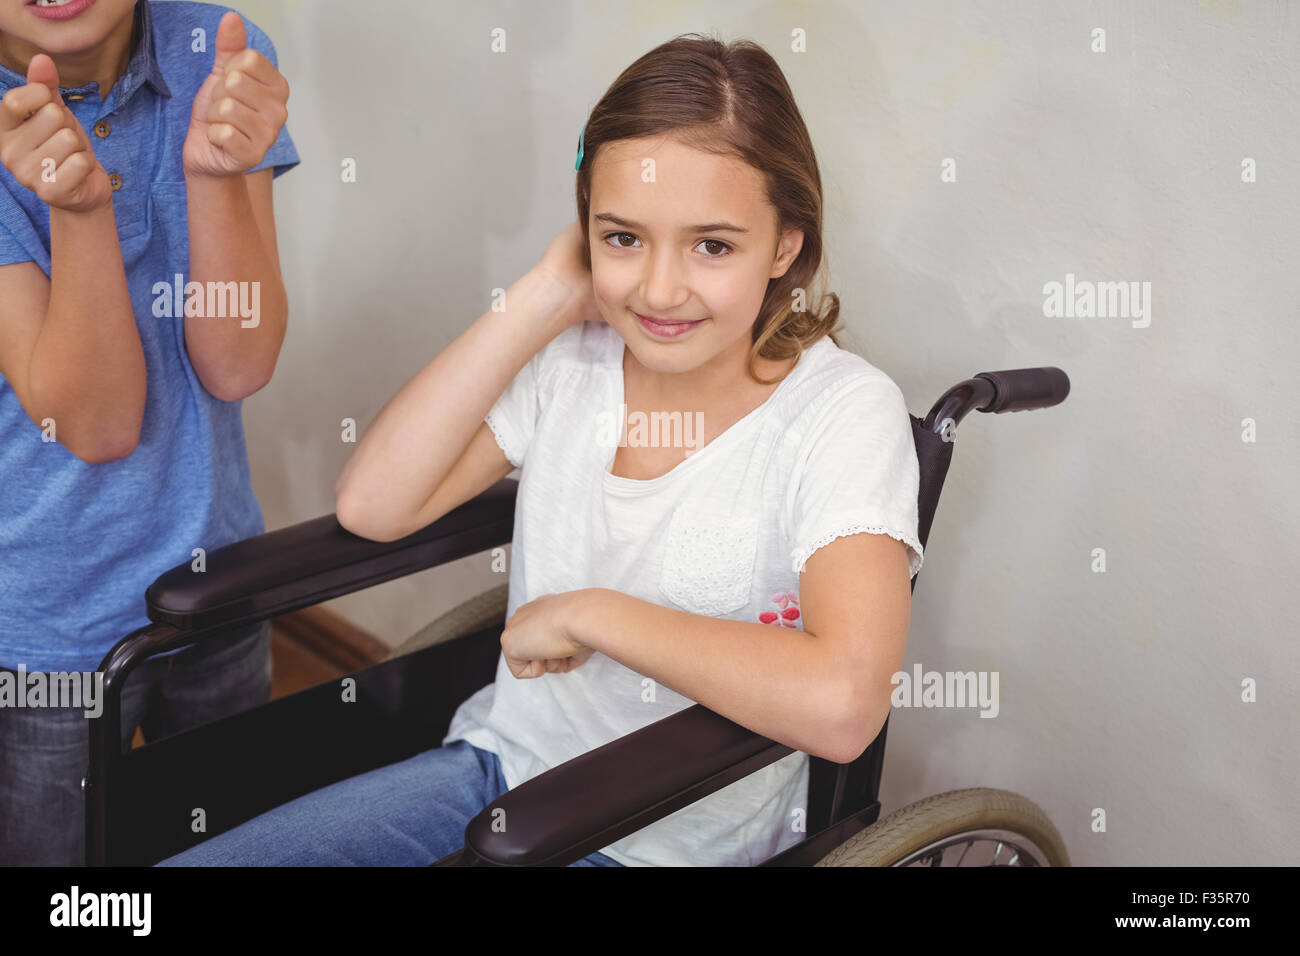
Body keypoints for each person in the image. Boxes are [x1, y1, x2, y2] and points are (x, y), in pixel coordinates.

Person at [159, 32, 922, 868]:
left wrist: (590, 612)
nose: (659, 290)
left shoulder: (841, 413)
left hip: (664, 843)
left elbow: (845, 706)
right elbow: (375, 504)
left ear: (787, 246)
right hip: (497, 779)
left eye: (712, 245)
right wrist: (542, 297)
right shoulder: (576, 368)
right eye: (623, 237)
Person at [0, 0, 298, 865]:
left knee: (232, 846)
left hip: (217, 581)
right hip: (46, 627)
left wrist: (212, 176)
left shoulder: (217, 49)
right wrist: (79, 211)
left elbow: (238, 364)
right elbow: (92, 424)